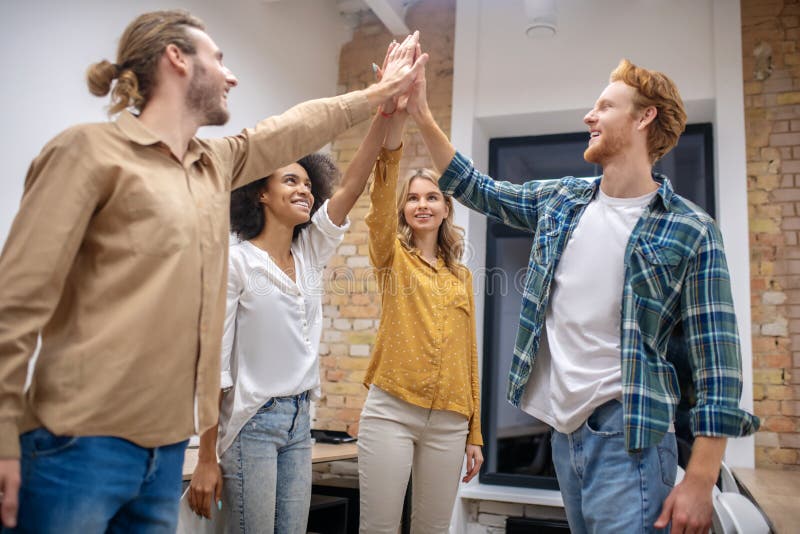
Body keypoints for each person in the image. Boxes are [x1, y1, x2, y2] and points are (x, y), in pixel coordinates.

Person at [0, 9, 427, 531]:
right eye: (218, 59)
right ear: (176, 60)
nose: (231, 75)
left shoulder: (211, 164)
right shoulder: (88, 152)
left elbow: (292, 129)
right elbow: (15, 306)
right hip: (78, 441)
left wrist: (379, 95)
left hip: (162, 447)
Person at [405, 58, 759, 533]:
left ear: (644, 117)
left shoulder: (691, 229)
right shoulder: (564, 202)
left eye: (605, 106)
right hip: (564, 434)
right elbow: (477, 189)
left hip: (629, 438)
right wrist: (423, 115)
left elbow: (719, 366)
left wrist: (700, 478)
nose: (589, 117)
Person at [186, 43, 418, 531]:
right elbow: (214, 366)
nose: (305, 190)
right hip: (251, 424)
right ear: (259, 193)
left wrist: (385, 111)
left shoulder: (309, 251)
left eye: (308, 184)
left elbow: (351, 186)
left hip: (299, 422)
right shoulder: (236, 262)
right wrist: (206, 456)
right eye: (290, 180)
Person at [357, 82, 483, 533]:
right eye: (413, 198)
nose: (422, 204)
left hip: (450, 424)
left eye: (432, 197)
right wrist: (396, 124)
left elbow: (469, 357)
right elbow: (377, 206)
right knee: (379, 528)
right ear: (404, 209)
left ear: (447, 208)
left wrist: (474, 433)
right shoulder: (391, 256)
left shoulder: (461, 277)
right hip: (391, 410)